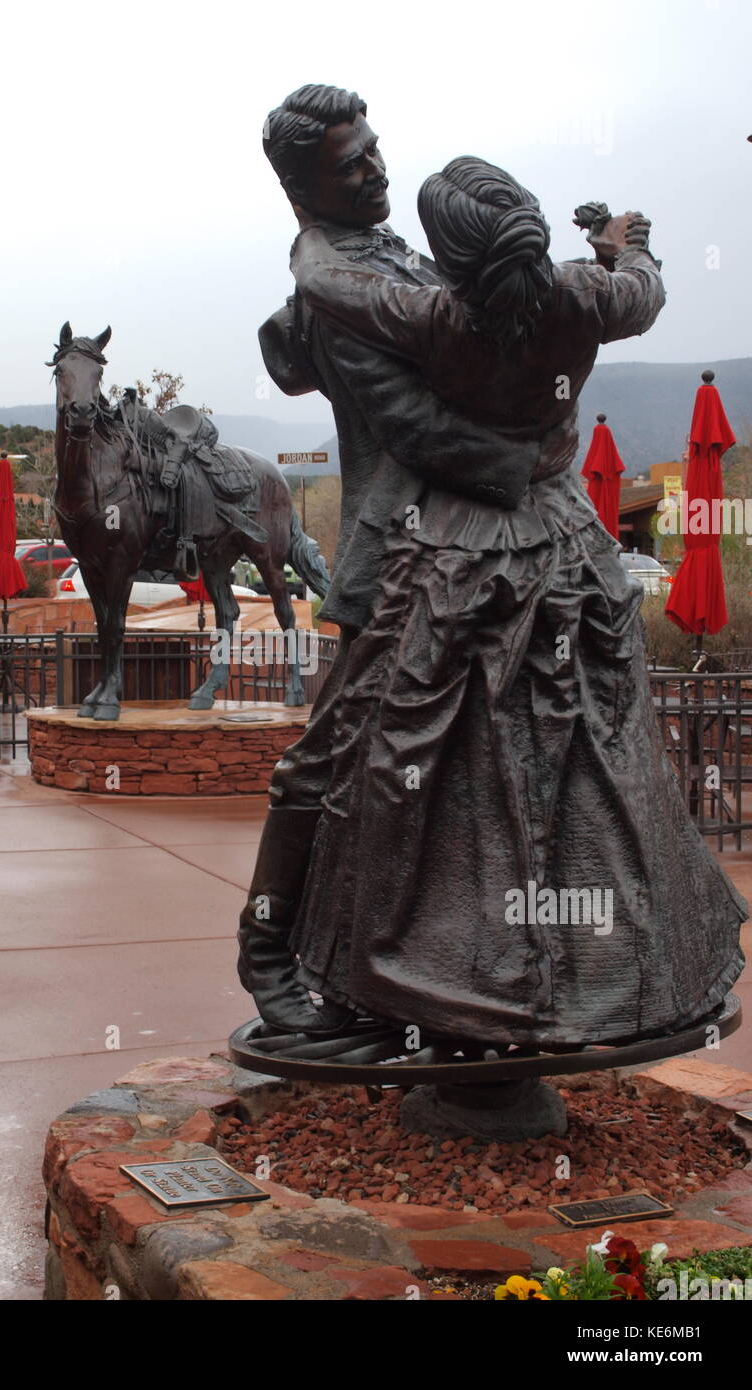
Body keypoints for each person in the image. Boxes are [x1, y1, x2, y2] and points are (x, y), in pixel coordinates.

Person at [279, 157, 745, 1044]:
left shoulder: (430, 316)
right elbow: (642, 290)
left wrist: (307, 235)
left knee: (414, 746)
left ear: (449, 258)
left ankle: (414, 965)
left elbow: (327, 280)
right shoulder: (580, 299)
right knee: (591, 754)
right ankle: (603, 973)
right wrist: (624, 244)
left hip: (461, 545)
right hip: (569, 537)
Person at [239, 87, 565, 1033]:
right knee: (331, 757)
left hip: (472, 546)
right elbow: (410, 424)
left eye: (374, 150)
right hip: (399, 555)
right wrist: (529, 463)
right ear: (303, 190)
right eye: (350, 163)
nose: (375, 170)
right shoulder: (333, 287)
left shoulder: (393, 253)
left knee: (452, 764)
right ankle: (267, 951)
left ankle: (407, 969)